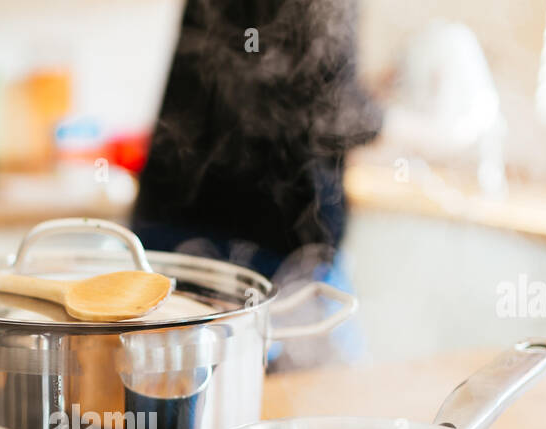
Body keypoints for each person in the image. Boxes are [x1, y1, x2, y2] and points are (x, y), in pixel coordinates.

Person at [132, 0, 381, 367]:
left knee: (168, 397)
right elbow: (332, 108)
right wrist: (416, 126)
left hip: (172, 227)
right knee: (318, 399)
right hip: (275, 256)